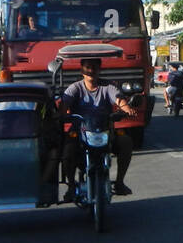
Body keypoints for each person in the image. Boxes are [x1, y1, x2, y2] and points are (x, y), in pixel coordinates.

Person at [59, 57, 139, 199]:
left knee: (126, 142)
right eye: (88, 67)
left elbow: (120, 100)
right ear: (81, 70)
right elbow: (64, 104)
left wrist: (127, 110)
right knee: (67, 149)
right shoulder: (75, 88)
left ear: (100, 69)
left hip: (105, 130)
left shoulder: (108, 87)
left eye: (95, 67)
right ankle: (71, 186)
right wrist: (61, 114)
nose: (91, 70)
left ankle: (119, 182)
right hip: (80, 131)